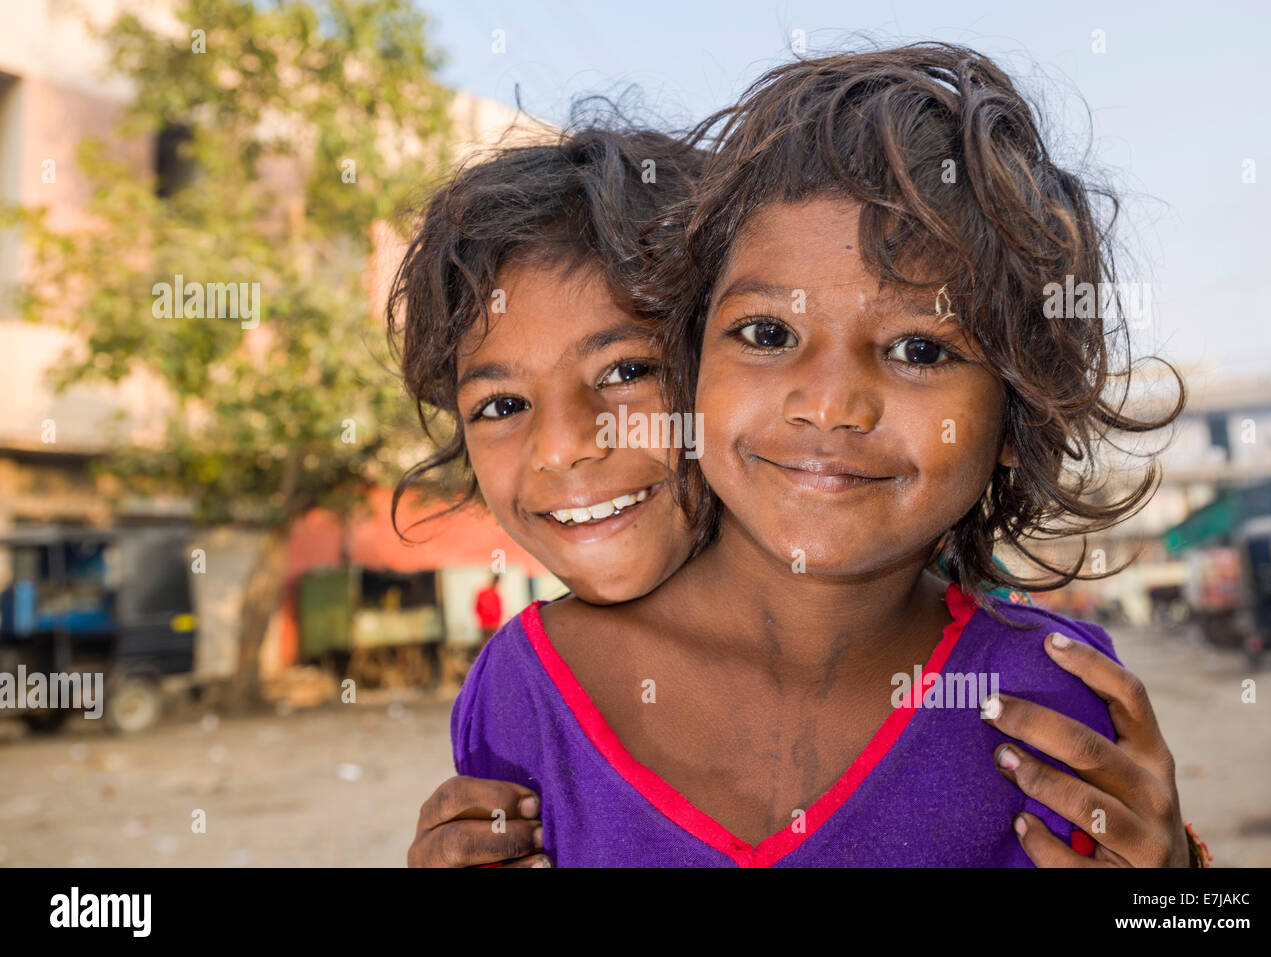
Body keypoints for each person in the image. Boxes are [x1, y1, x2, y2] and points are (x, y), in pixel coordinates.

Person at [396, 91, 1202, 867]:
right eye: (768, 332)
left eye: (920, 349)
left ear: (1018, 414)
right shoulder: (524, 693)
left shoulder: (1054, 698)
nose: (828, 404)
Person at [472, 574, 503, 655]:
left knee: (492, 645)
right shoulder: (483, 593)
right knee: (485, 645)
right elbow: (477, 608)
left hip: (493, 625)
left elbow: (499, 610)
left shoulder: (496, 594)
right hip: (485, 625)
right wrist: (482, 620)